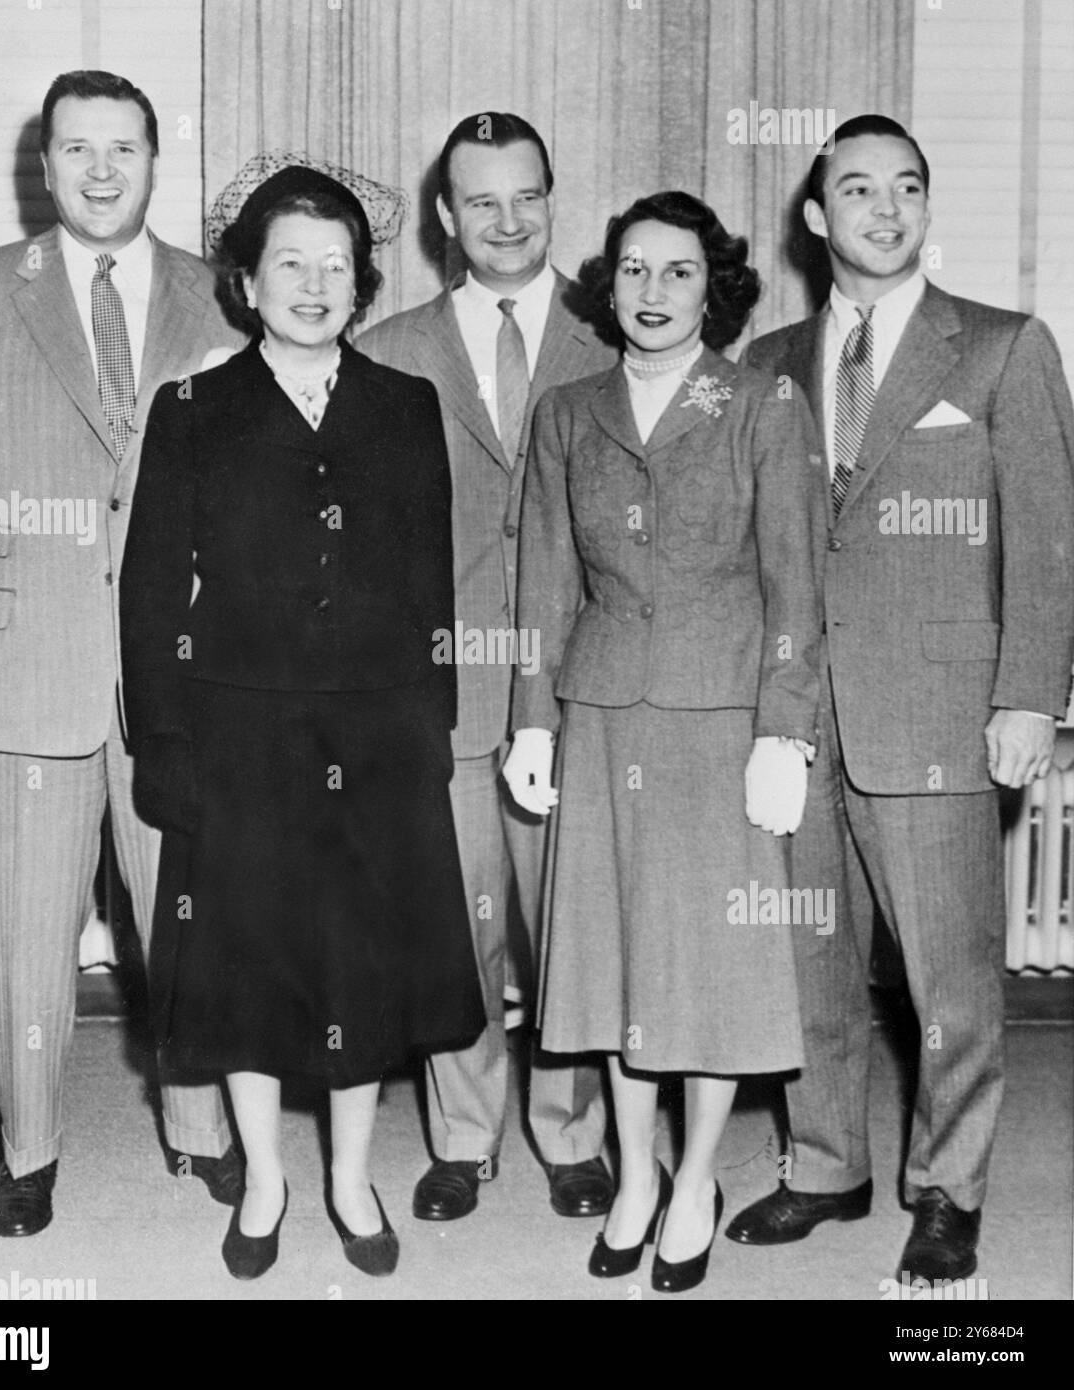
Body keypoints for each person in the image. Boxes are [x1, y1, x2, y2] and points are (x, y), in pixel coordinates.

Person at [119, 161, 486, 1281]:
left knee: (359, 968)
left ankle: (348, 1177)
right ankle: (269, 1183)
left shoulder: (405, 405)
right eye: (291, 262)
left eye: (337, 264)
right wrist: (168, 742)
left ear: (363, 282)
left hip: (376, 740)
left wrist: (433, 728)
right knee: (247, 965)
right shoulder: (195, 410)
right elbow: (148, 587)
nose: (315, 283)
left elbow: (432, 587)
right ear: (246, 279)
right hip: (241, 738)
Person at [725, 115, 1074, 1283]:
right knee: (806, 960)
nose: (885, 209)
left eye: (907, 187)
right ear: (816, 218)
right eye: (858, 191)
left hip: (937, 709)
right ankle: (826, 1161)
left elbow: (1049, 543)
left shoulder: (1001, 348)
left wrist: (1030, 695)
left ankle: (948, 1188)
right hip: (793, 718)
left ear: (928, 208)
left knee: (949, 977)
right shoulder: (766, 366)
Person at [0, 69, 244, 1237]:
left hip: (186, 676)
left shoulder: (223, 300)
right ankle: (30, 1149)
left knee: (190, 917)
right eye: (77, 149)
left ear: (158, 161)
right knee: (29, 936)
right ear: (44, 166)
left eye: (125, 149)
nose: (102, 170)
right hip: (17, 661)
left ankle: (199, 1131)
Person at [506, 190, 824, 1292]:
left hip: (719, 720)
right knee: (613, 962)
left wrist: (785, 731)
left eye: (678, 272)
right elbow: (544, 582)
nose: (652, 292)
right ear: (610, 283)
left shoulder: (762, 404)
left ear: (715, 286)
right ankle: (634, 1174)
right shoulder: (567, 410)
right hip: (599, 716)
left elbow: (797, 582)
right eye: (634, 270)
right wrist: (530, 722)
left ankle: (696, 1180)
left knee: (707, 972)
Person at [359, 113, 617, 1224]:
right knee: (457, 923)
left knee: (570, 921)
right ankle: (464, 1135)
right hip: (447, 689)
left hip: (580, 684)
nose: (506, 223)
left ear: (554, 200)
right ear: (444, 218)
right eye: (481, 203)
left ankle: (570, 1134)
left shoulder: (621, 334)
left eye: (527, 198)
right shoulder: (389, 349)